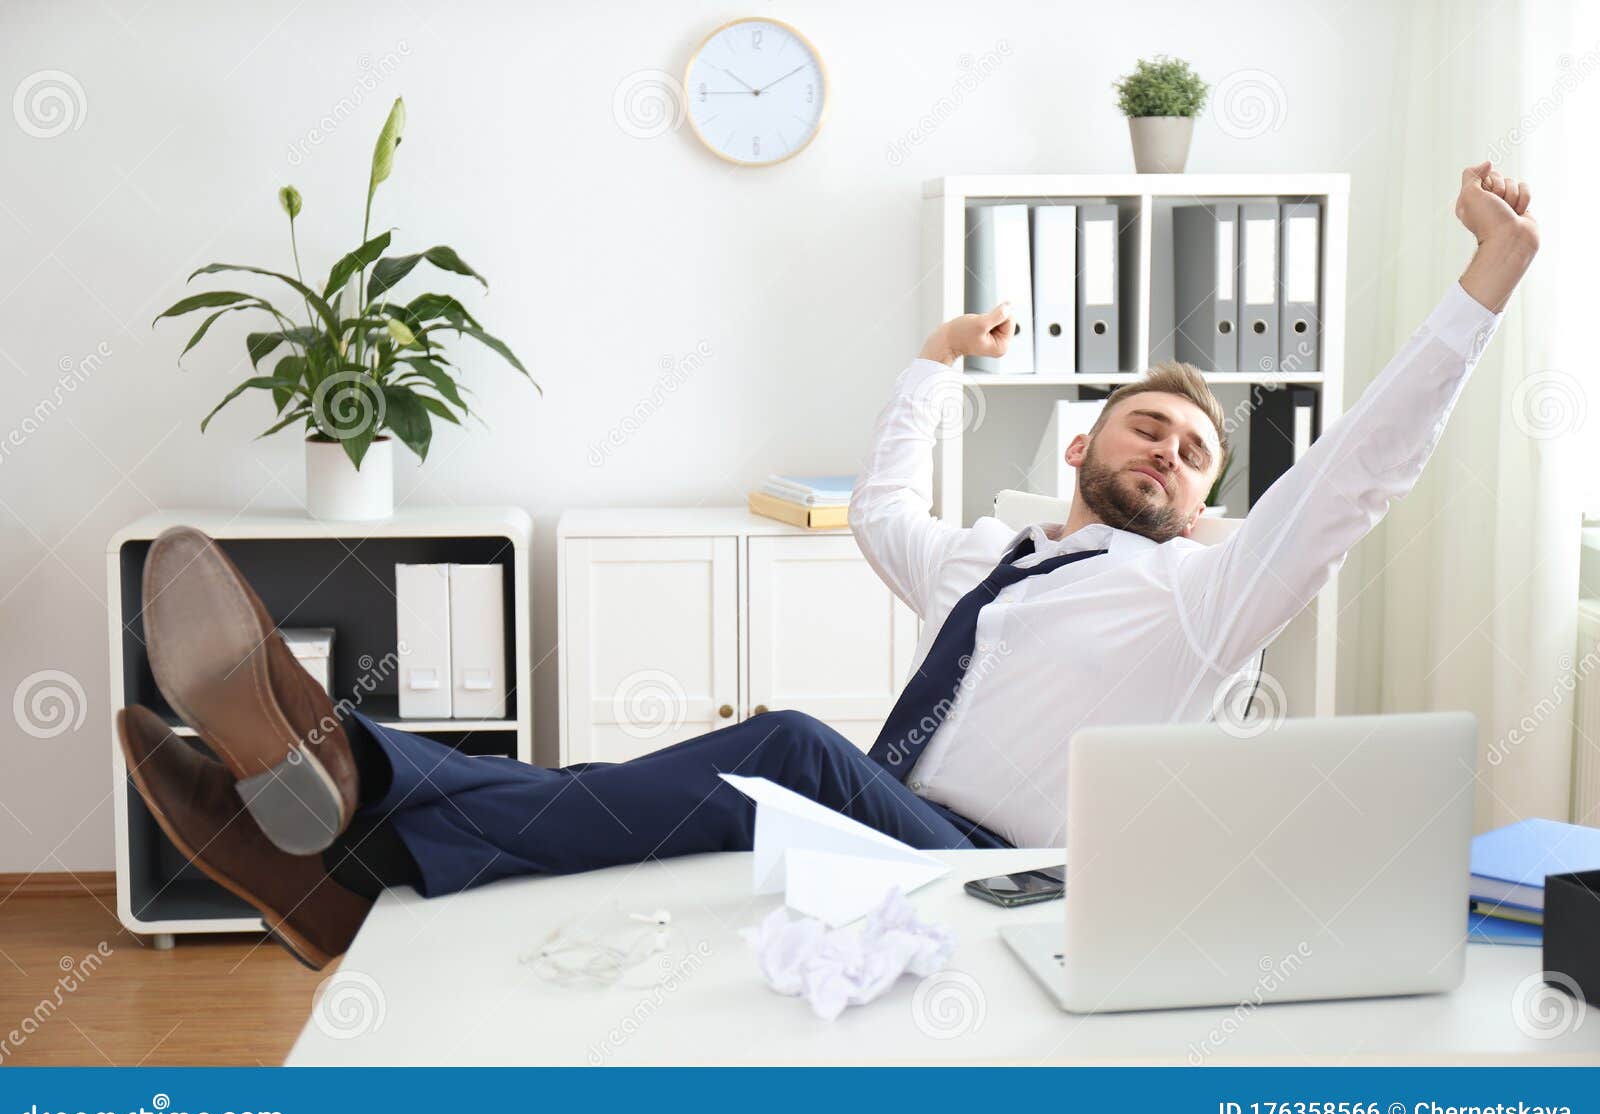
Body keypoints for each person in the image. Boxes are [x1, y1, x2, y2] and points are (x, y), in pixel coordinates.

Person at [117, 162, 1538, 969]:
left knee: (793, 739)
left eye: (1196, 455)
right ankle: (338, 864)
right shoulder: (986, 567)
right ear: (1083, 446)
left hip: (1005, 877)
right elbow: (876, 512)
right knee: (695, 793)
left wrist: (1483, 286)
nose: (1170, 454)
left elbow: (1355, 476)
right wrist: (929, 366)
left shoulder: (1204, 599)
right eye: (1148, 427)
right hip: (883, 841)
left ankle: (357, 784)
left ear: (1212, 501)